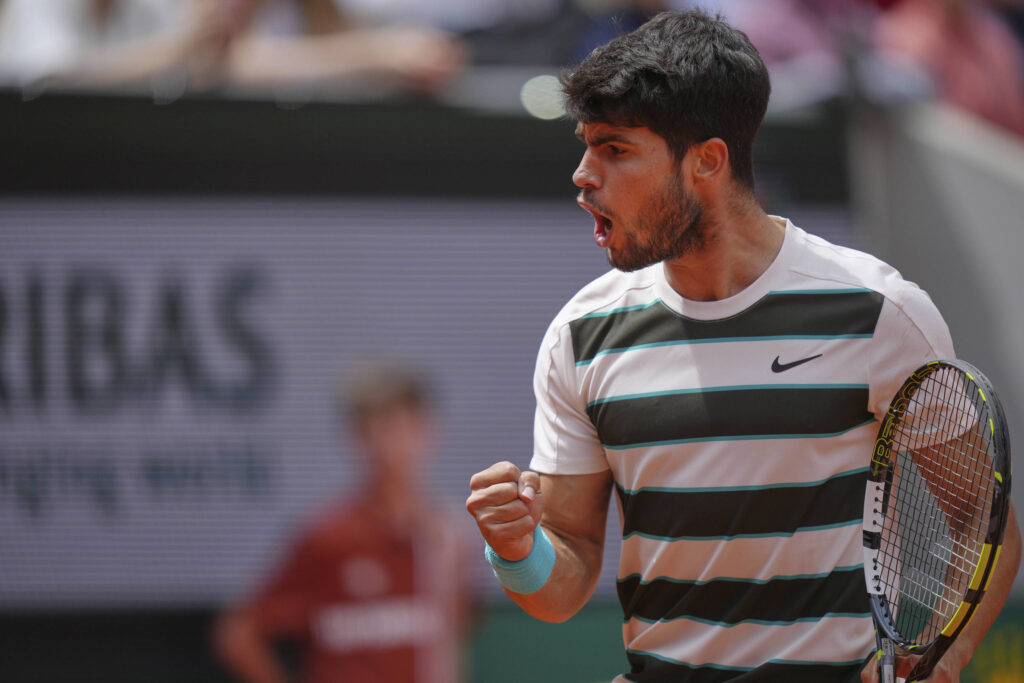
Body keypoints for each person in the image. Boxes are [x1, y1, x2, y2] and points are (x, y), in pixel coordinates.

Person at [465, 10, 1022, 683]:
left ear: (708, 161)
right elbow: (565, 579)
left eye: (614, 149)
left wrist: (945, 650)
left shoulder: (880, 312)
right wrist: (519, 548)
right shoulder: (581, 336)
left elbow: (977, 523)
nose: (584, 174)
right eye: (585, 146)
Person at [217, 362, 473, 683]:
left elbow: (451, 644)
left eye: (401, 425)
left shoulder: (449, 539)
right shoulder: (328, 536)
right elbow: (239, 634)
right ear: (356, 437)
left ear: (427, 431)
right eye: (374, 427)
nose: (390, 443)